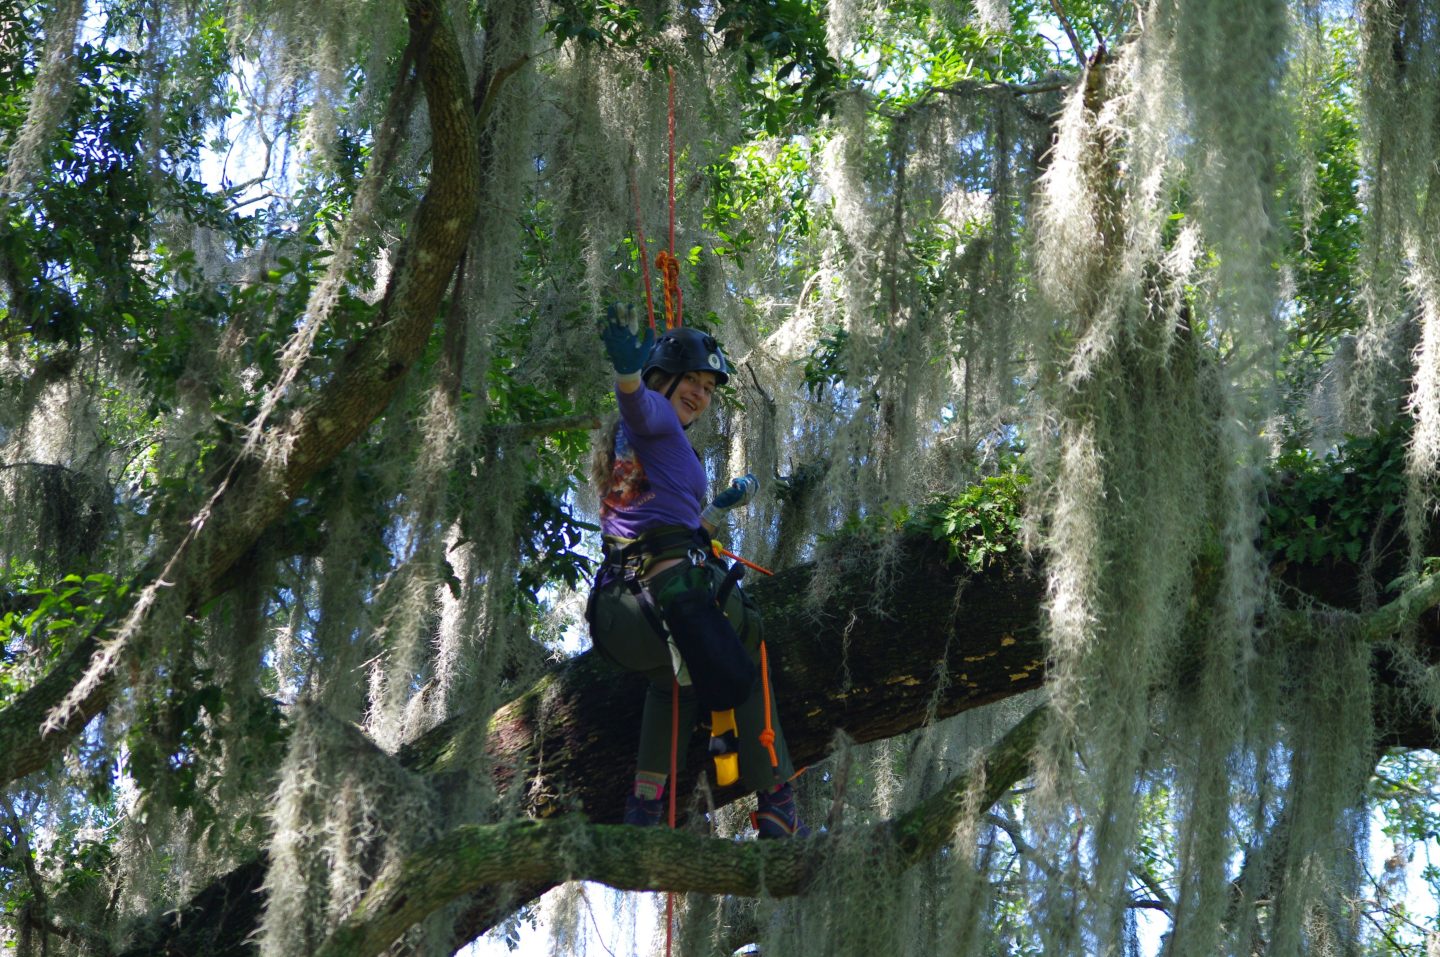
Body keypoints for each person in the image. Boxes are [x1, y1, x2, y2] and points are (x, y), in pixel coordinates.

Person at [586, 304, 806, 838]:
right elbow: (639, 406)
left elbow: (660, 522)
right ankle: (775, 796)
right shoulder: (653, 419)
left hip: (618, 612)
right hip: (668, 594)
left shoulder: (640, 448)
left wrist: (717, 511)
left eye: (709, 388)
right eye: (692, 381)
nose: (700, 395)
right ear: (666, 377)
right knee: (748, 639)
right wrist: (628, 375)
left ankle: (645, 806)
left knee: (674, 684)